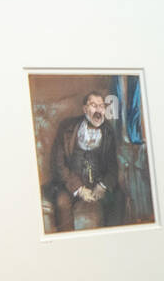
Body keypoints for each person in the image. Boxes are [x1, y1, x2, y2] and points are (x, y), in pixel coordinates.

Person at [44, 91, 123, 231]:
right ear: (85, 109)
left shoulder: (108, 131)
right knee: (62, 203)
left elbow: (112, 167)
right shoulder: (67, 127)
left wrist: (103, 185)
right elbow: (58, 164)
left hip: (98, 184)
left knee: (119, 198)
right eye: (94, 105)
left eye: (101, 106)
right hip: (71, 184)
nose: (99, 110)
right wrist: (79, 189)